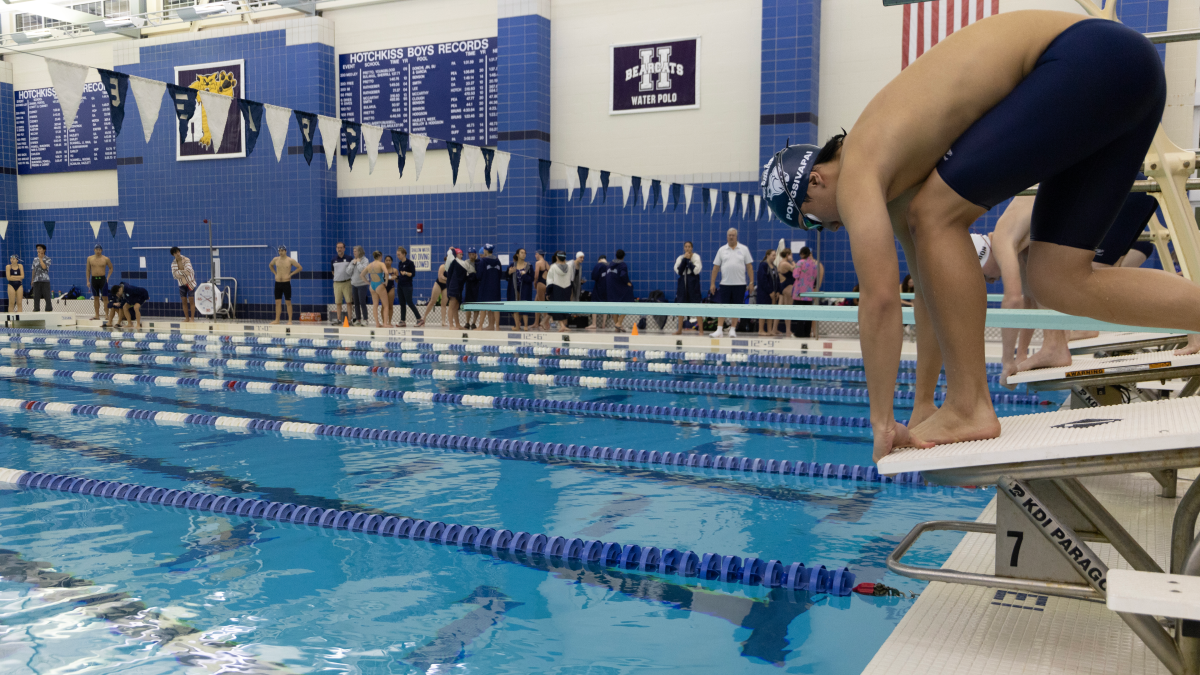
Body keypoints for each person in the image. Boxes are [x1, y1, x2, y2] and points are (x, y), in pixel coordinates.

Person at [760, 11, 1189, 460]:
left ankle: (970, 404)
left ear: (815, 183)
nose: (830, 228)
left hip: (1087, 57)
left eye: (811, 221)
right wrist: (921, 401)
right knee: (1058, 279)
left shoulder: (860, 168)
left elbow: (882, 298)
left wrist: (881, 421)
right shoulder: (898, 180)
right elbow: (925, 291)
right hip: (1126, 70)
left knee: (937, 215)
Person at [709, 228, 754, 337]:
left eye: (733, 235)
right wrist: (712, 283)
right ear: (727, 236)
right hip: (725, 284)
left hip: (740, 284)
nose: (731, 237)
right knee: (722, 306)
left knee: (737, 306)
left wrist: (751, 282)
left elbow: (749, 266)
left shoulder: (744, 249)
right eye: (729, 235)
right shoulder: (722, 250)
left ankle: (732, 329)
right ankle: (719, 329)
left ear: (736, 236)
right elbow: (715, 268)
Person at [673, 242, 703, 335]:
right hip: (682, 286)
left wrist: (689, 261)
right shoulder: (680, 258)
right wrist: (685, 260)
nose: (687, 248)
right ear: (683, 248)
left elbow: (696, 271)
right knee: (681, 307)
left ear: (692, 248)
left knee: (697, 307)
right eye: (685, 247)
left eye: (689, 247)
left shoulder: (696, 257)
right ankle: (679, 330)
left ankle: (701, 330)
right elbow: (679, 271)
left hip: (693, 285)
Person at [792, 247, 821, 338]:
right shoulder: (814, 264)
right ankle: (807, 333)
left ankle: (799, 333)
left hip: (799, 292)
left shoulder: (800, 262)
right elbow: (816, 277)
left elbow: (795, 275)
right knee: (808, 314)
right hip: (809, 292)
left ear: (802, 254)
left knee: (799, 313)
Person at [269, 246, 302, 325]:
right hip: (277, 283)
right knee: (277, 302)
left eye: (282, 251)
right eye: (279, 251)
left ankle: (290, 320)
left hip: (286, 283)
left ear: (285, 251)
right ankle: (277, 320)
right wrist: (275, 273)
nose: (281, 252)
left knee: (288, 302)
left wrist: (291, 274)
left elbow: (299, 267)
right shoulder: (275, 259)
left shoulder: (290, 260)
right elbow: (270, 265)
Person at [546, 250, 575, 332]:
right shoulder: (569, 267)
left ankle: (562, 325)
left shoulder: (553, 267)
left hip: (556, 288)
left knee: (556, 307)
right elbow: (571, 279)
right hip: (567, 288)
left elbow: (550, 280)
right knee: (565, 307)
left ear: (556, 257)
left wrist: (548, 292)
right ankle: (563, 325)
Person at [606, 249, 634, 332]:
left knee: (614, 306)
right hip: (620, 288)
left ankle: (616, 326)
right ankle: (619, 323)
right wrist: (627, 282)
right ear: (623, 256)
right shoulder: (622, 265)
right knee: (628, 302)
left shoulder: (610, 264)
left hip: (611, 288)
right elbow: (623, 275)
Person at [360, 251, 390, 328]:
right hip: (379, 284)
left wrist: (368, 282)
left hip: (372, 285)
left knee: (375, 305)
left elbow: (362, 275)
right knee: (386, 305)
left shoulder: (369, 265)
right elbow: (386, 272)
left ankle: (377, 323)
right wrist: (386, 282)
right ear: (380, 256)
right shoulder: (381, 264)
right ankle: (385, 324)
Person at [477, 244, 503, 330]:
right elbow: (500, 274)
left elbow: (479, 275)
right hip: (495, 287)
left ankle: (480, 326)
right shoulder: (497, 260)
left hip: (485, 286)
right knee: (495, 307)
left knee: (483, 306)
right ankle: (496, 326)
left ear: (486, 251)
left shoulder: (483, 261)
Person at [418, 256, 449, 328]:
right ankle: (424, 318)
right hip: (438, 284)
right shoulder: (442, 267)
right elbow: (440, 278)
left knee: (443, 304)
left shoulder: (452, 268)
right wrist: (448, 279)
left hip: (446, 286)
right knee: (432, 301)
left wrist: (446, 279)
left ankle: (443, 321)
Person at [507, 248, 534, 330]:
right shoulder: (512, 265)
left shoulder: (528, 266)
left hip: (525, 289)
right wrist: (509, 273)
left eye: (525, 253)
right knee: (515, 307)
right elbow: (506, 277)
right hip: (514, 289)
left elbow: (531, 279)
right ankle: (517, 326)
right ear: (517, 255)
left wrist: (524, 275)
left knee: (524, 306)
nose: (523, 254)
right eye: (522, 253)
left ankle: (525, 325)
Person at [395, 247, 421, 326]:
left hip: (407, 285)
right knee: (402, 303)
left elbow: (412, 274)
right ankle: (402, 320)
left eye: (399, 255)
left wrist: (406, 273)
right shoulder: (400, 264)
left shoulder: (410, 263)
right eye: (397, 255)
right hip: (400, 285)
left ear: (404, 254)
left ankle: (419, 319)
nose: (398, 256)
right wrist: (396, 277)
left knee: (409, 302)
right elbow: (401, 276)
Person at [346, 246, 372, 327]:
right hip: (354, 284)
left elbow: (363, 270)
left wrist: (358, 262)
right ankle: (358, 319)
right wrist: (353, 263)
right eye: (353, 251)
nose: (354, 253)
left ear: (360, 252)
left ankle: (365, 319)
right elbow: (348, 272)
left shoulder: (365, 260)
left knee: (362, 302)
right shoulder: (353, 261)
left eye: (355, 251)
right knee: (356, 303)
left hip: (362, 284)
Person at [444, 248, 468, 330]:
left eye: (462, 254)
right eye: (460, 254)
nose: (461, 256)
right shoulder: (453, 261)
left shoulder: (462, 263)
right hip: (453, 286)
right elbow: (450, 254)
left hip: (459, 287)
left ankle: (457, 324)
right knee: (451, 305)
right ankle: (451, 325)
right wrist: (452, 249)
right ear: (456, 254)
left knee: (456, 306)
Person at [170, 247, 196, 323]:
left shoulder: (186, 260)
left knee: (191, 300)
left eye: (178, 252)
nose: (178, 254)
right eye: (176, 253)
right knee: (184, 301)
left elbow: (189, 271)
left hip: (190, 283)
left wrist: (179, 272)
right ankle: (187, 318)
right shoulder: (173, 264)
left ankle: (192, 319)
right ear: (173, 254)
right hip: (181, 284)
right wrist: (183, 273)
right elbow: (174, 276)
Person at [85, 245, 112, 320]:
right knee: (96, 298)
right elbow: (88, 270)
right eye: (97, 249)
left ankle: (107, 315)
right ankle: (97, 315)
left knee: (105, 298)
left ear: (101, 250)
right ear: (94, 250)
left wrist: (108, 278)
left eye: (99, 250)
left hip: (102, 280)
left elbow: (111, 268)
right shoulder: (90, 258)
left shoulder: (106, 259)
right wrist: (87, 281)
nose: (98, 251)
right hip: (94, 280)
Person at [755, 249, 778, 335]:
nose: (774, 257)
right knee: (763, 311)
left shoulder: (774, 267)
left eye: (775, 255)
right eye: (773, 255)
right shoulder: (763, 265)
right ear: (768, 255)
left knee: (770, 312)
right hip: (764, 293)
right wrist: (770, 291)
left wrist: (777, 291)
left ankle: (769, 330)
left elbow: (777, 280)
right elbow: (763, 280)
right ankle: (761, 330)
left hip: (773, 293)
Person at [330, 242, 353, 325]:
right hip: (337, 284)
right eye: (338, 248)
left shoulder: (349, 258)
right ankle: (339, 319)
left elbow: (352, 270)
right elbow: (333, 272)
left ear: (344, 248)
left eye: (341, 247)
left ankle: (350, 319)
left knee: (349, 302)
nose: (339, 249)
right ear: (336, 249)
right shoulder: (333, 260)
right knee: (338, 302)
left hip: (347, 282)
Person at [775, 246, 795, 337]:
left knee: (780, 310)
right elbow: (795, 270)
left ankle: (774, 329)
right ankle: (788, 331)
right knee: (788, 310)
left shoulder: (780, 263)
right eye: (790, 254)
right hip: (788, 287)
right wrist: (792, 261)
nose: (791, 256)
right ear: (787, 255)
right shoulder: (785, 264)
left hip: (783, 287)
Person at [462, 248, 481, 329]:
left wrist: (472, 274)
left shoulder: (479, 263)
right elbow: (466, 274)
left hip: (477, 286)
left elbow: (479, 274)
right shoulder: (466, 262)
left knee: (476, 305)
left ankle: (473, 323)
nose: (471, 256)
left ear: (475, 255)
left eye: (472, 254)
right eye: (469, 254)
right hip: (469, 286)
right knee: (468, 305)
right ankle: (467, 322)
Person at [29, 244, 51, 312]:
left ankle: (48, 309)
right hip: (36, 280)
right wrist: (32, 279)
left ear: (44, 250)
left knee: (46, 295)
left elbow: (44, 267)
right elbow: (33, 270)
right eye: (37, 248)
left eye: (40, 248)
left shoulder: (48, 259)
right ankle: (36, 309)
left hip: (45, 280)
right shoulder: (35, 259)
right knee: (36, 296)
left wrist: (41, 259)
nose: (38, 250)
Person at [590, 254, 609, 331]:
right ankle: (603, 324)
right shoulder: (610, 265)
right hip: (608, 288)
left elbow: (594, 276)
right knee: (606, 305)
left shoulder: (599, 265)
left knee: (594, 304)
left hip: (599, 287)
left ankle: (594, 324)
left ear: (599, 260)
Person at [534, 250, 550, 331]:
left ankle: (545, 323)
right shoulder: (546, 263)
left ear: (539, 255)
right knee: (536, 302)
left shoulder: (538, 263)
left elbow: (536, 275)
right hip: (546, 283)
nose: (535, 255)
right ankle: (536, 322)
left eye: (536, 254)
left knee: (542, 304)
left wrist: (534, 283)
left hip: (540, 283)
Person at [384, 255, 398, 321]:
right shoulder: (382, 270)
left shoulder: (394, 270)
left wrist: (396, 277)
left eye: (389, 260)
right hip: (383, 288)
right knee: (383, 306)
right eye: (386, 260)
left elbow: (397, 281)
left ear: (391, 261)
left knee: (390, 306)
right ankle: (384, 321)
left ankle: (389, 321)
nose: (388, 262)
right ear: (384, 261)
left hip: (391, 288)